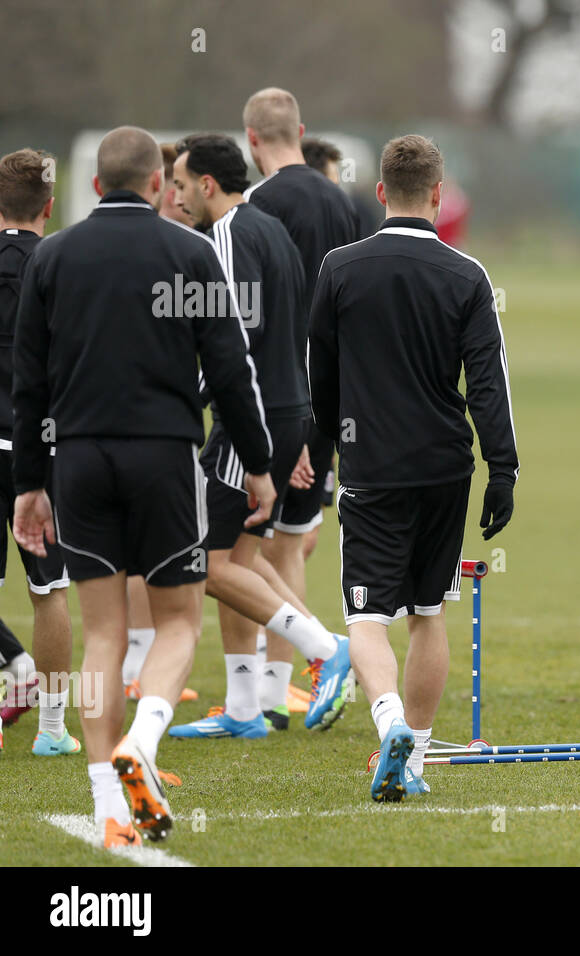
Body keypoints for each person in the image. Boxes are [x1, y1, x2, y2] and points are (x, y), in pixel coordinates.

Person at [11, 126, 274, 846]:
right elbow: (230, 369)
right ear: (158, 186)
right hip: (164, 457)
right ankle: (145, 742)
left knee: (103, 632)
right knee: (179, 621)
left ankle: (106, 801)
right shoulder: (189, 251)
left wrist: (28, 484)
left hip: (79, 461)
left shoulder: (54, 255)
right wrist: (255, 463)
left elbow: (27, 385)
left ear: (95, 187)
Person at [308, 134, 517, 802]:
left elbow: (322, 380)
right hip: (445, 467)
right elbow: (489, 384)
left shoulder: (339, 269)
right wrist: (503, 468)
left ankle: (389, 720)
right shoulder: (467, 275)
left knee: (366, 617)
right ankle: (418, 758)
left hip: (371, 465)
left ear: (378, 194)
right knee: (429, 611)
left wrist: (319, 457)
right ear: (437, 194)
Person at [165, 133, 351, 738]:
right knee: (241, 557)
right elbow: (289, 336)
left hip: (253, 418)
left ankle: (326, 649)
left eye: (183, 183)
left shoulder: (224, 239)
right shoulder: (269, 229)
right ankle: (245, 710)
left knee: (207, 563)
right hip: (285, 412)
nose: (177, 194)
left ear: (208, 185)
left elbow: (229, 346)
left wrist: (211, 420)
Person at [242, 88, 361, 718]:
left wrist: (282, 427)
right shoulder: (341, 202)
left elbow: (265, 318)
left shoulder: (257, 205)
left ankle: (261, 691)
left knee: (238, 547)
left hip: (278, 397)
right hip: (332, 398)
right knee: (287, 542)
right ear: (301, 129)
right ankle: (273, 693)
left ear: (251, 139)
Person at [0, 147, 77, 757]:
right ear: (49, 206)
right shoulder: (60, 265)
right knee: (49, 591)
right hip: (39, 449)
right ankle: (52, 729)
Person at [121, 142, 199, 705]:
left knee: (128, 566)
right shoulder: (181, 252)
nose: (178, 194)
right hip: (162, 436)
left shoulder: (69, 253)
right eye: (171, 183)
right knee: (163, 580)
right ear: (158, 185)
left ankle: (106, 778)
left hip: (90, 438)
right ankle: (141, 673)